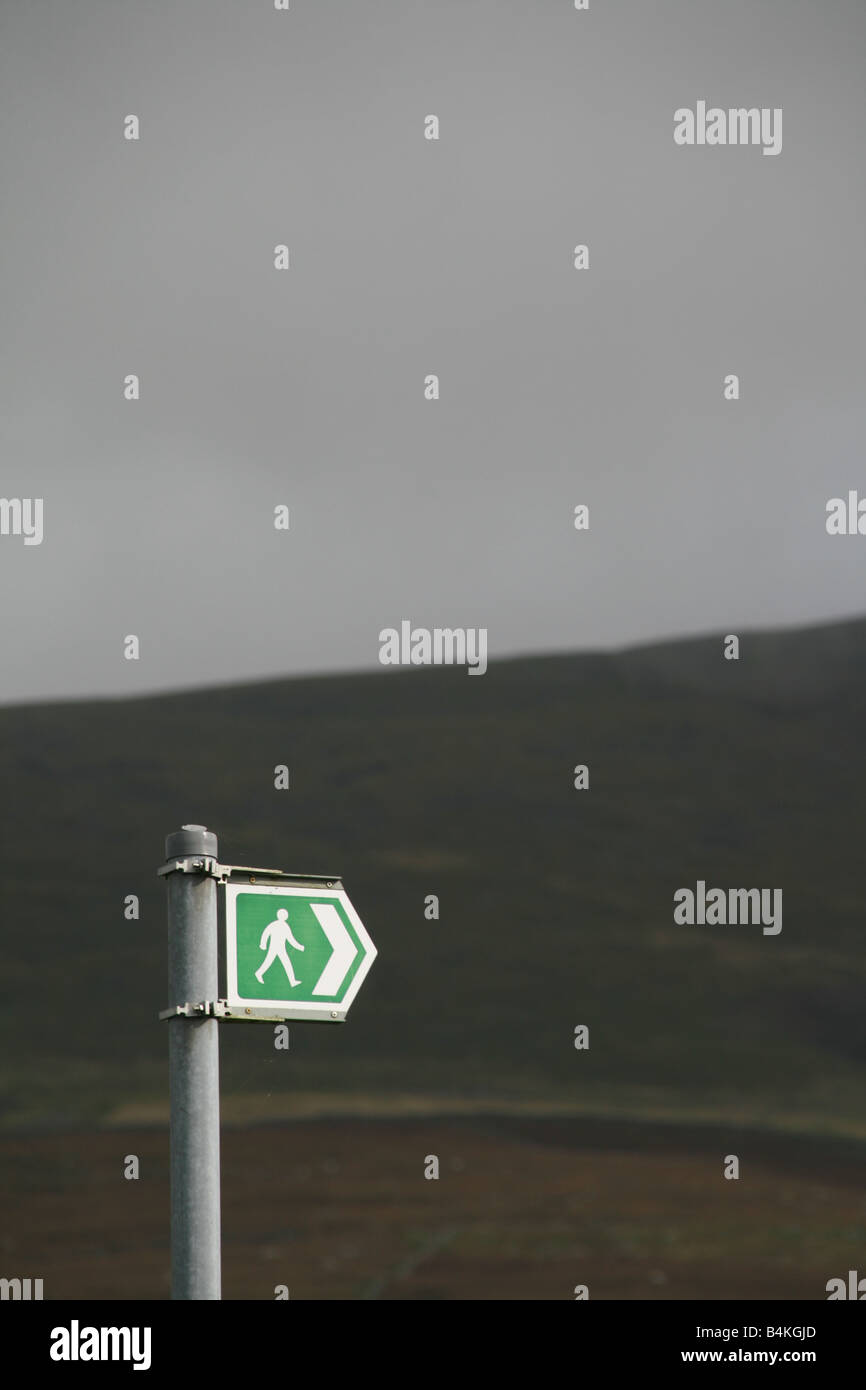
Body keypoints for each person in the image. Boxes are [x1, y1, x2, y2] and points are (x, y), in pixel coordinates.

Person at [255, 907, 305, 987]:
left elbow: (290, 939)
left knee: (285, 963)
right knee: (270, 962)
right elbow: (266, 933)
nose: (286, 916)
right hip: (274, 948)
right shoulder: (276, 925)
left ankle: (292, 981)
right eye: (284, 914)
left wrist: (299, 947)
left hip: (281, 949)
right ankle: (259, 973)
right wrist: (263, 944)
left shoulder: (284, 926)